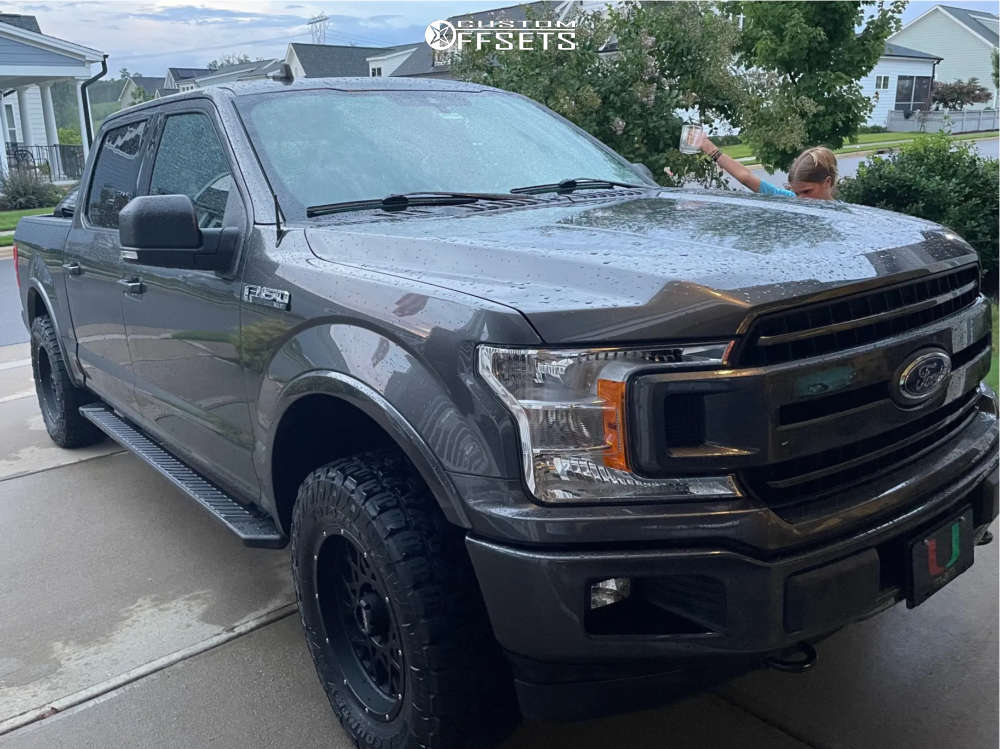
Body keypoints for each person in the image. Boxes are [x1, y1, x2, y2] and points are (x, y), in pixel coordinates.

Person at [697, 136, 838, 200]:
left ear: (827, 182)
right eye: (797, 193)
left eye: (807, 191)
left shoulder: (843, 216)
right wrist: (710, 149)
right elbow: (746, 177)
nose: (801, 199)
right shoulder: (790, 200)